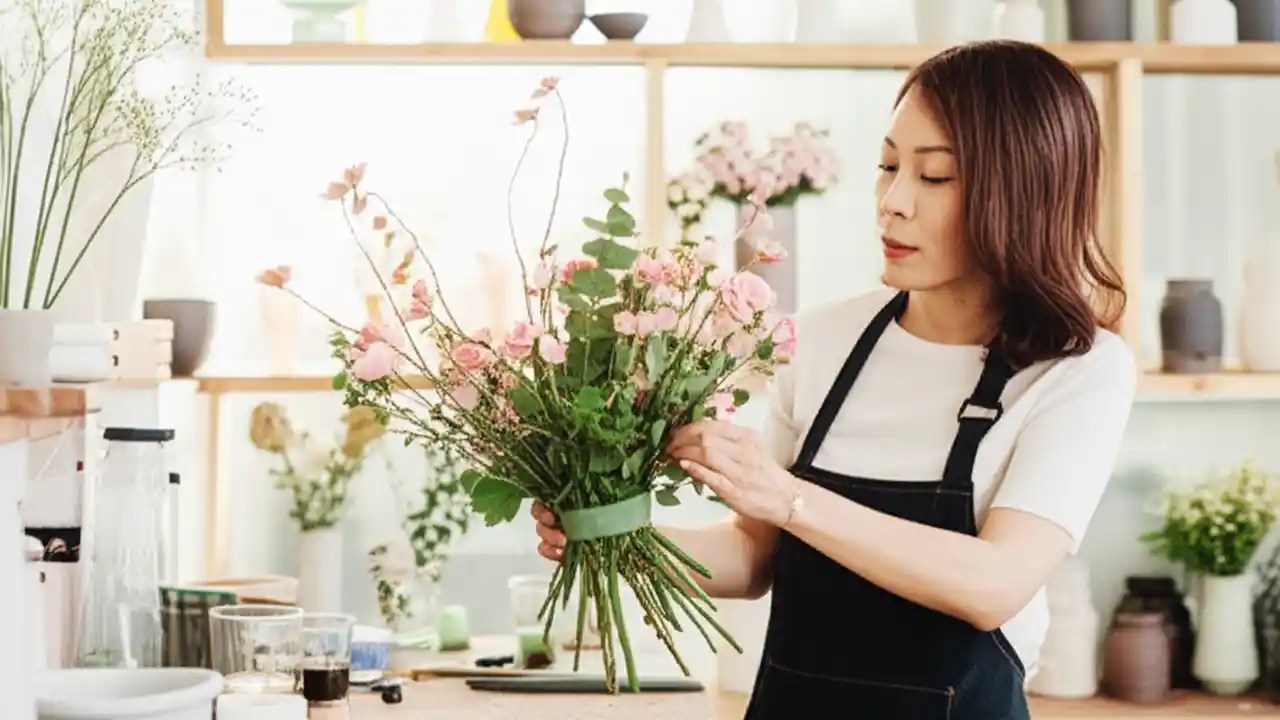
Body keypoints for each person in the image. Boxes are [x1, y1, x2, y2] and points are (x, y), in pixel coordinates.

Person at [533, 40, 1137, 719]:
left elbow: (994, 583)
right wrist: (615, 541)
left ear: (1023, 191)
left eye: (934, 177)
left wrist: (788, 498)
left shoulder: (1079, 371)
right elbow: (753, 559)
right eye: (887, 166)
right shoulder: (822, 339)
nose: (893, 201)